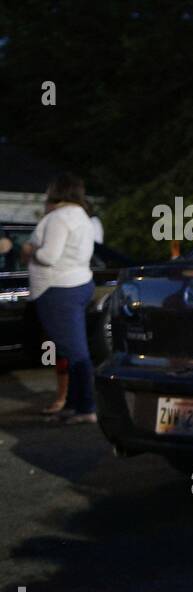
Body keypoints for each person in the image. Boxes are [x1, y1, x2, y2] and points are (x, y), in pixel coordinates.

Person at [21, 174, 96, 423]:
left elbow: (49, 256)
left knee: (74, 351)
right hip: (78, 283)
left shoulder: (59, 218)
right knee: (70, 350)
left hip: (58, 288)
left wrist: (30, 249)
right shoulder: (82, 216)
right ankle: (74, 406)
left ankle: (85, 407)